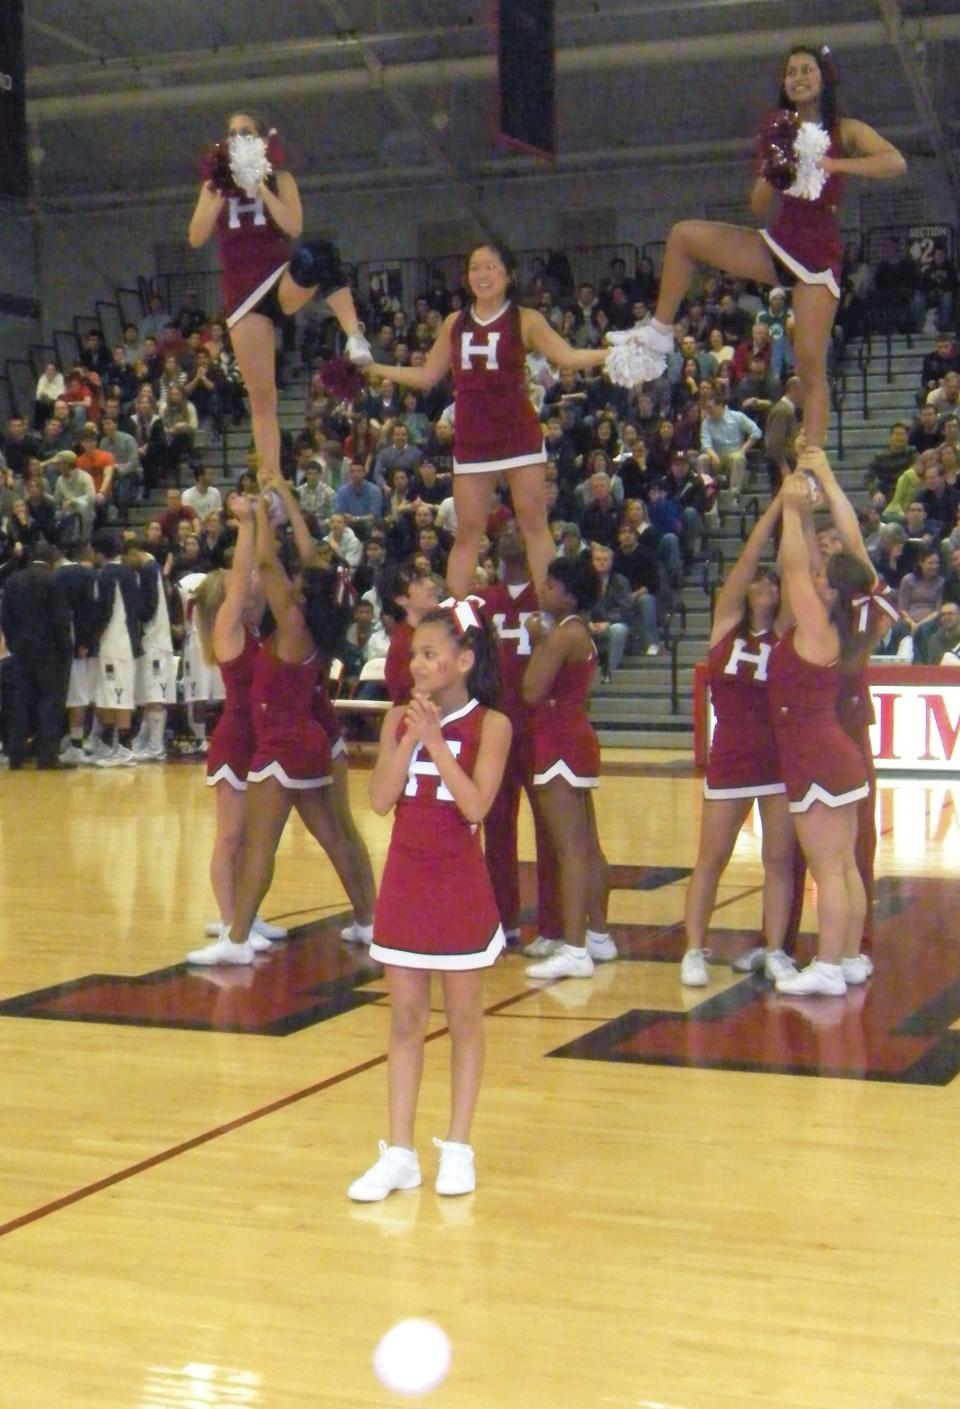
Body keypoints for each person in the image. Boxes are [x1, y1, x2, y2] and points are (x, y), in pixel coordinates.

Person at [610, 45, 906, 451]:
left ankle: (814, 461)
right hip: (777, 245)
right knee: (682, 236)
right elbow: (757, 206)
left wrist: (836, 166)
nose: (799, 77)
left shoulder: (845, 130)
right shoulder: (778, 130)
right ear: (785, 83)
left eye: (807, 69)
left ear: (822, 79)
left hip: (818, 261)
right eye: (791, 72)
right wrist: (775, 165)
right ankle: (659, 334)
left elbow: (895, 162)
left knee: (809, 364)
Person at [348, 600, 511, 1202]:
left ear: (464, 660)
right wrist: (409, 738)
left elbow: (475, 806)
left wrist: (437, 742)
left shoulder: (493, 724)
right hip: (406, 883)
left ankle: (459, 1146)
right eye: (413, 653)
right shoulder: (398, 718)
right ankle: (399, 1153)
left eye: (428, 653)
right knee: (405, 1018)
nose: (416, 664)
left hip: (460, 884)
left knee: (465, 1020)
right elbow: (380, 800)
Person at [361, 240, 609, 596]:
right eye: (475, 267)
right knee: (468, 533)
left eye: (490, 267)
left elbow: (567, 357)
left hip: (518, 432)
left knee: (534, 525)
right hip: (473, 439)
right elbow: (427, 376)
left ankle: (552, 607)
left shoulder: (526, 318)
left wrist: (611, 354)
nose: (482, 274)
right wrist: (374, 365)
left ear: (508, 275)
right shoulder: (453, 323)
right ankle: (457, 616)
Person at [186, 492, 371, 965]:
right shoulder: (312, 624)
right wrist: (283, 498)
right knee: (330, 835)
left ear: (304, 596)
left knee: (262, 845)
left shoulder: (290, 627)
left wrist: (255, 521)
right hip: (297, 739)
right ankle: (368, 920)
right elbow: (309, 565)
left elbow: (267, 565)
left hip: (282, 744)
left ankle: (237, 938)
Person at [187, 111, 372, 486]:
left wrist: (263, 188)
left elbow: (293, 226)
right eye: (232, 133)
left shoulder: (281, 177)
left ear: (260, 140)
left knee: (320, 255)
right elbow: (195, 237)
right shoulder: (212, 187)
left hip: (278, 278)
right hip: (243, 298)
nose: (238, 137)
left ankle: (354, 335)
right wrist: (222, 188)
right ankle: (270, 478)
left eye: (246, 132)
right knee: (262, 396)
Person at [679, 496, 797, 987]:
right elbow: (749, 557)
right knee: (712, 857)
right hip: (728, 755)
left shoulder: (788, 632)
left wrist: (796, 511)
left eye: (772, 582)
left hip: (776, 758)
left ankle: (774, 951)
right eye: (758, 581)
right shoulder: (725, 627)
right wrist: (773, 508)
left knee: (778, 859)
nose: (763, 585)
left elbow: (795, 565)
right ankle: (692, 950)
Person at [767, 469, 875, 996]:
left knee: (827, 869)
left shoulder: (816, 623)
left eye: (824, 575)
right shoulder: (840, 624)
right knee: (843, 864)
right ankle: (849, 957)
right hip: (835, 753)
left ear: (834, 591)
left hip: (815, 756)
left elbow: (791, 568)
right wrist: (807, 510)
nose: (815, 576)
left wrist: (790, 509)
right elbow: (805, 564)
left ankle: (829, 966)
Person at [478, 522, 567, 955]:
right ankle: (502, 921)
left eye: (521, 527)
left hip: (538, 728)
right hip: (495, 727)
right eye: (506, 529)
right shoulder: (483, 600)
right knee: (496, 825)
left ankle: (552, 927)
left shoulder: (547, 600)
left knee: (550, 828)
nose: (514, 533)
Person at [522, 557, 612, 981]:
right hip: (576, 734)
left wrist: (538, 641)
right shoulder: (582, 635)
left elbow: (530, 690)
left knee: (570, 849)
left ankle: (575, 948)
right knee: (589, 844)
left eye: (552, 585)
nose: (544, 590)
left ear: (571, 595)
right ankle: (598, 934)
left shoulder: (561, 637)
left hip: (557, 738)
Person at [1, 542, 72, 770]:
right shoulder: (55, 580)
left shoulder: (13, 581)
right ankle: (47, 756)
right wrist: (66, 648)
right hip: (49, 652)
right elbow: (60, 619)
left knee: (20, 701)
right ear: (50, 559)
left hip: (21, 651)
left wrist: (13, 644)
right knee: (50, 702)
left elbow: (5, 618)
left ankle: (16, 756)